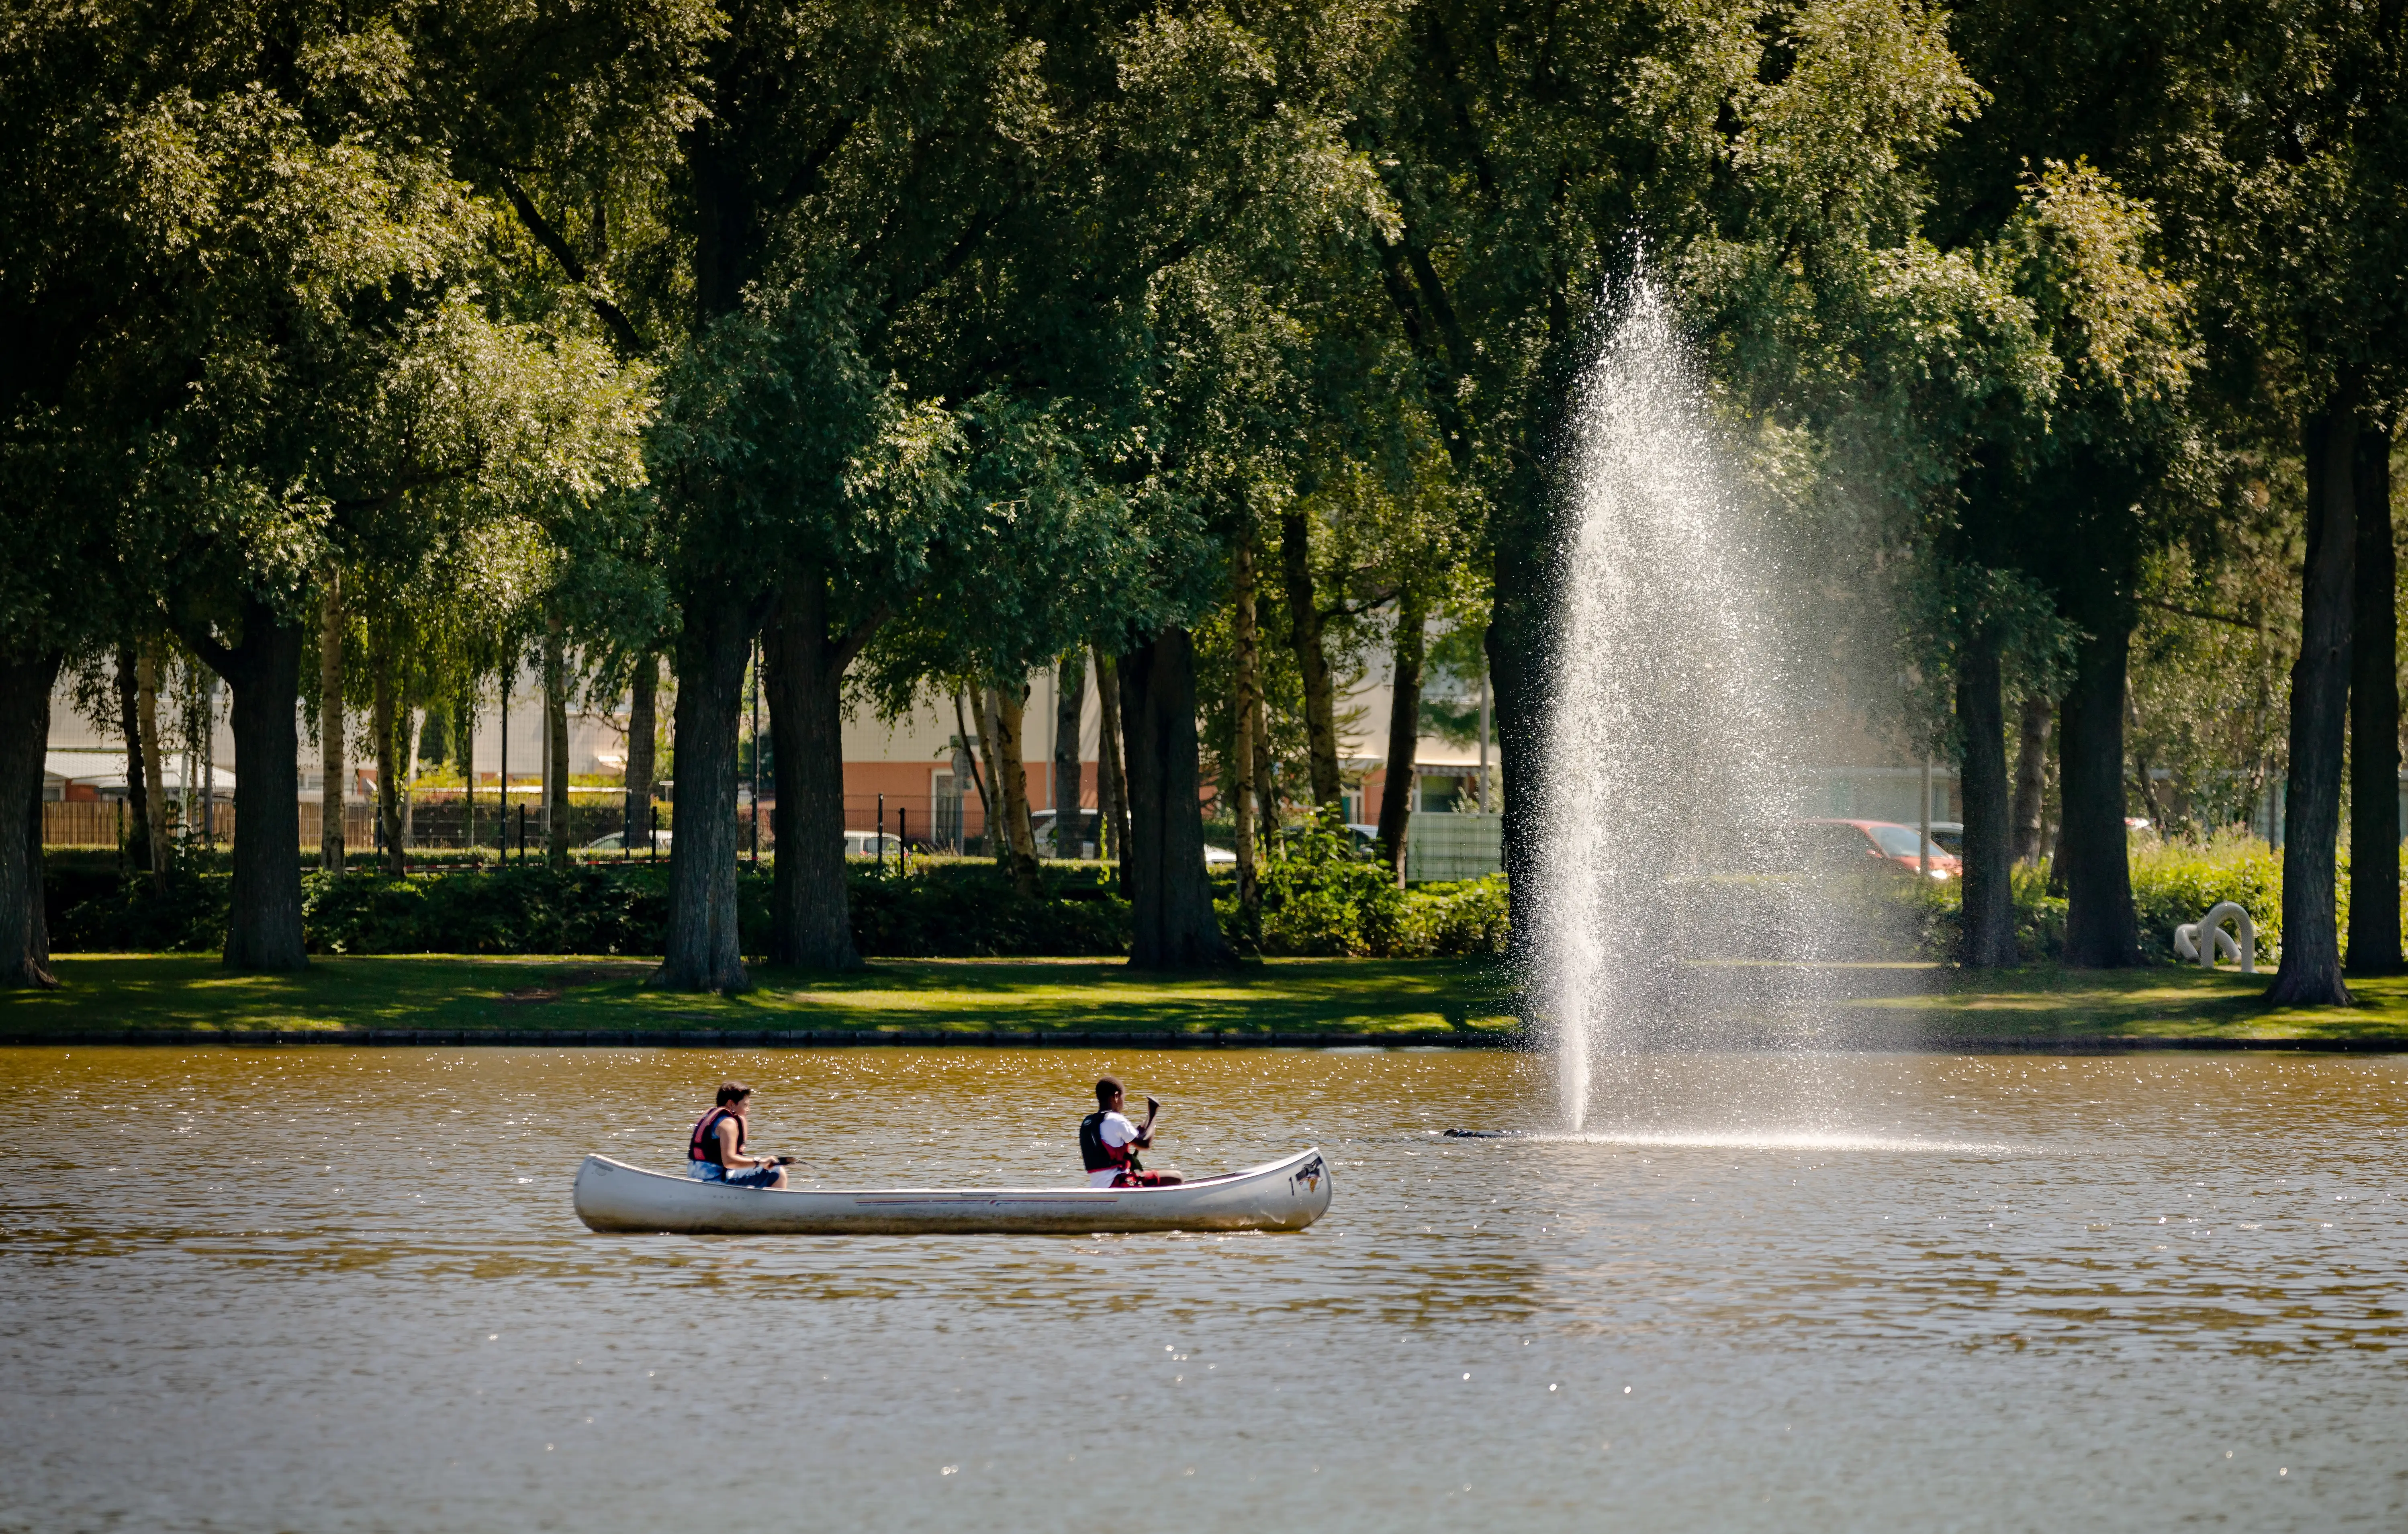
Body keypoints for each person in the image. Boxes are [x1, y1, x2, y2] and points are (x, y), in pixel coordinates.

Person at [687, 1081, 794, 1188]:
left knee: (753, 1171)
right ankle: (778, 1205)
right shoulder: (729, 1123)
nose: (748, 1110)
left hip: (695, 1174)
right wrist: (761, 1162)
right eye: (745, 1105)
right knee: (777, 1172)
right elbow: (729, 1162)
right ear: (731, 1104)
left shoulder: (708, 1115)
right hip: (715, 1178)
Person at [1079, 1077, 1182, 1188]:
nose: (1123, 1103)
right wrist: (1153, 1114)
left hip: (1097, 1186)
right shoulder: (1115, 1119)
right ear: (1116, 1096)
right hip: (1118, 1183)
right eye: (1123, 1098)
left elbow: (1111, 1144)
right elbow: (1145, 1144)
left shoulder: (1088, 1122)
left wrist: (1140, 1131)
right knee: (1177, 1177)